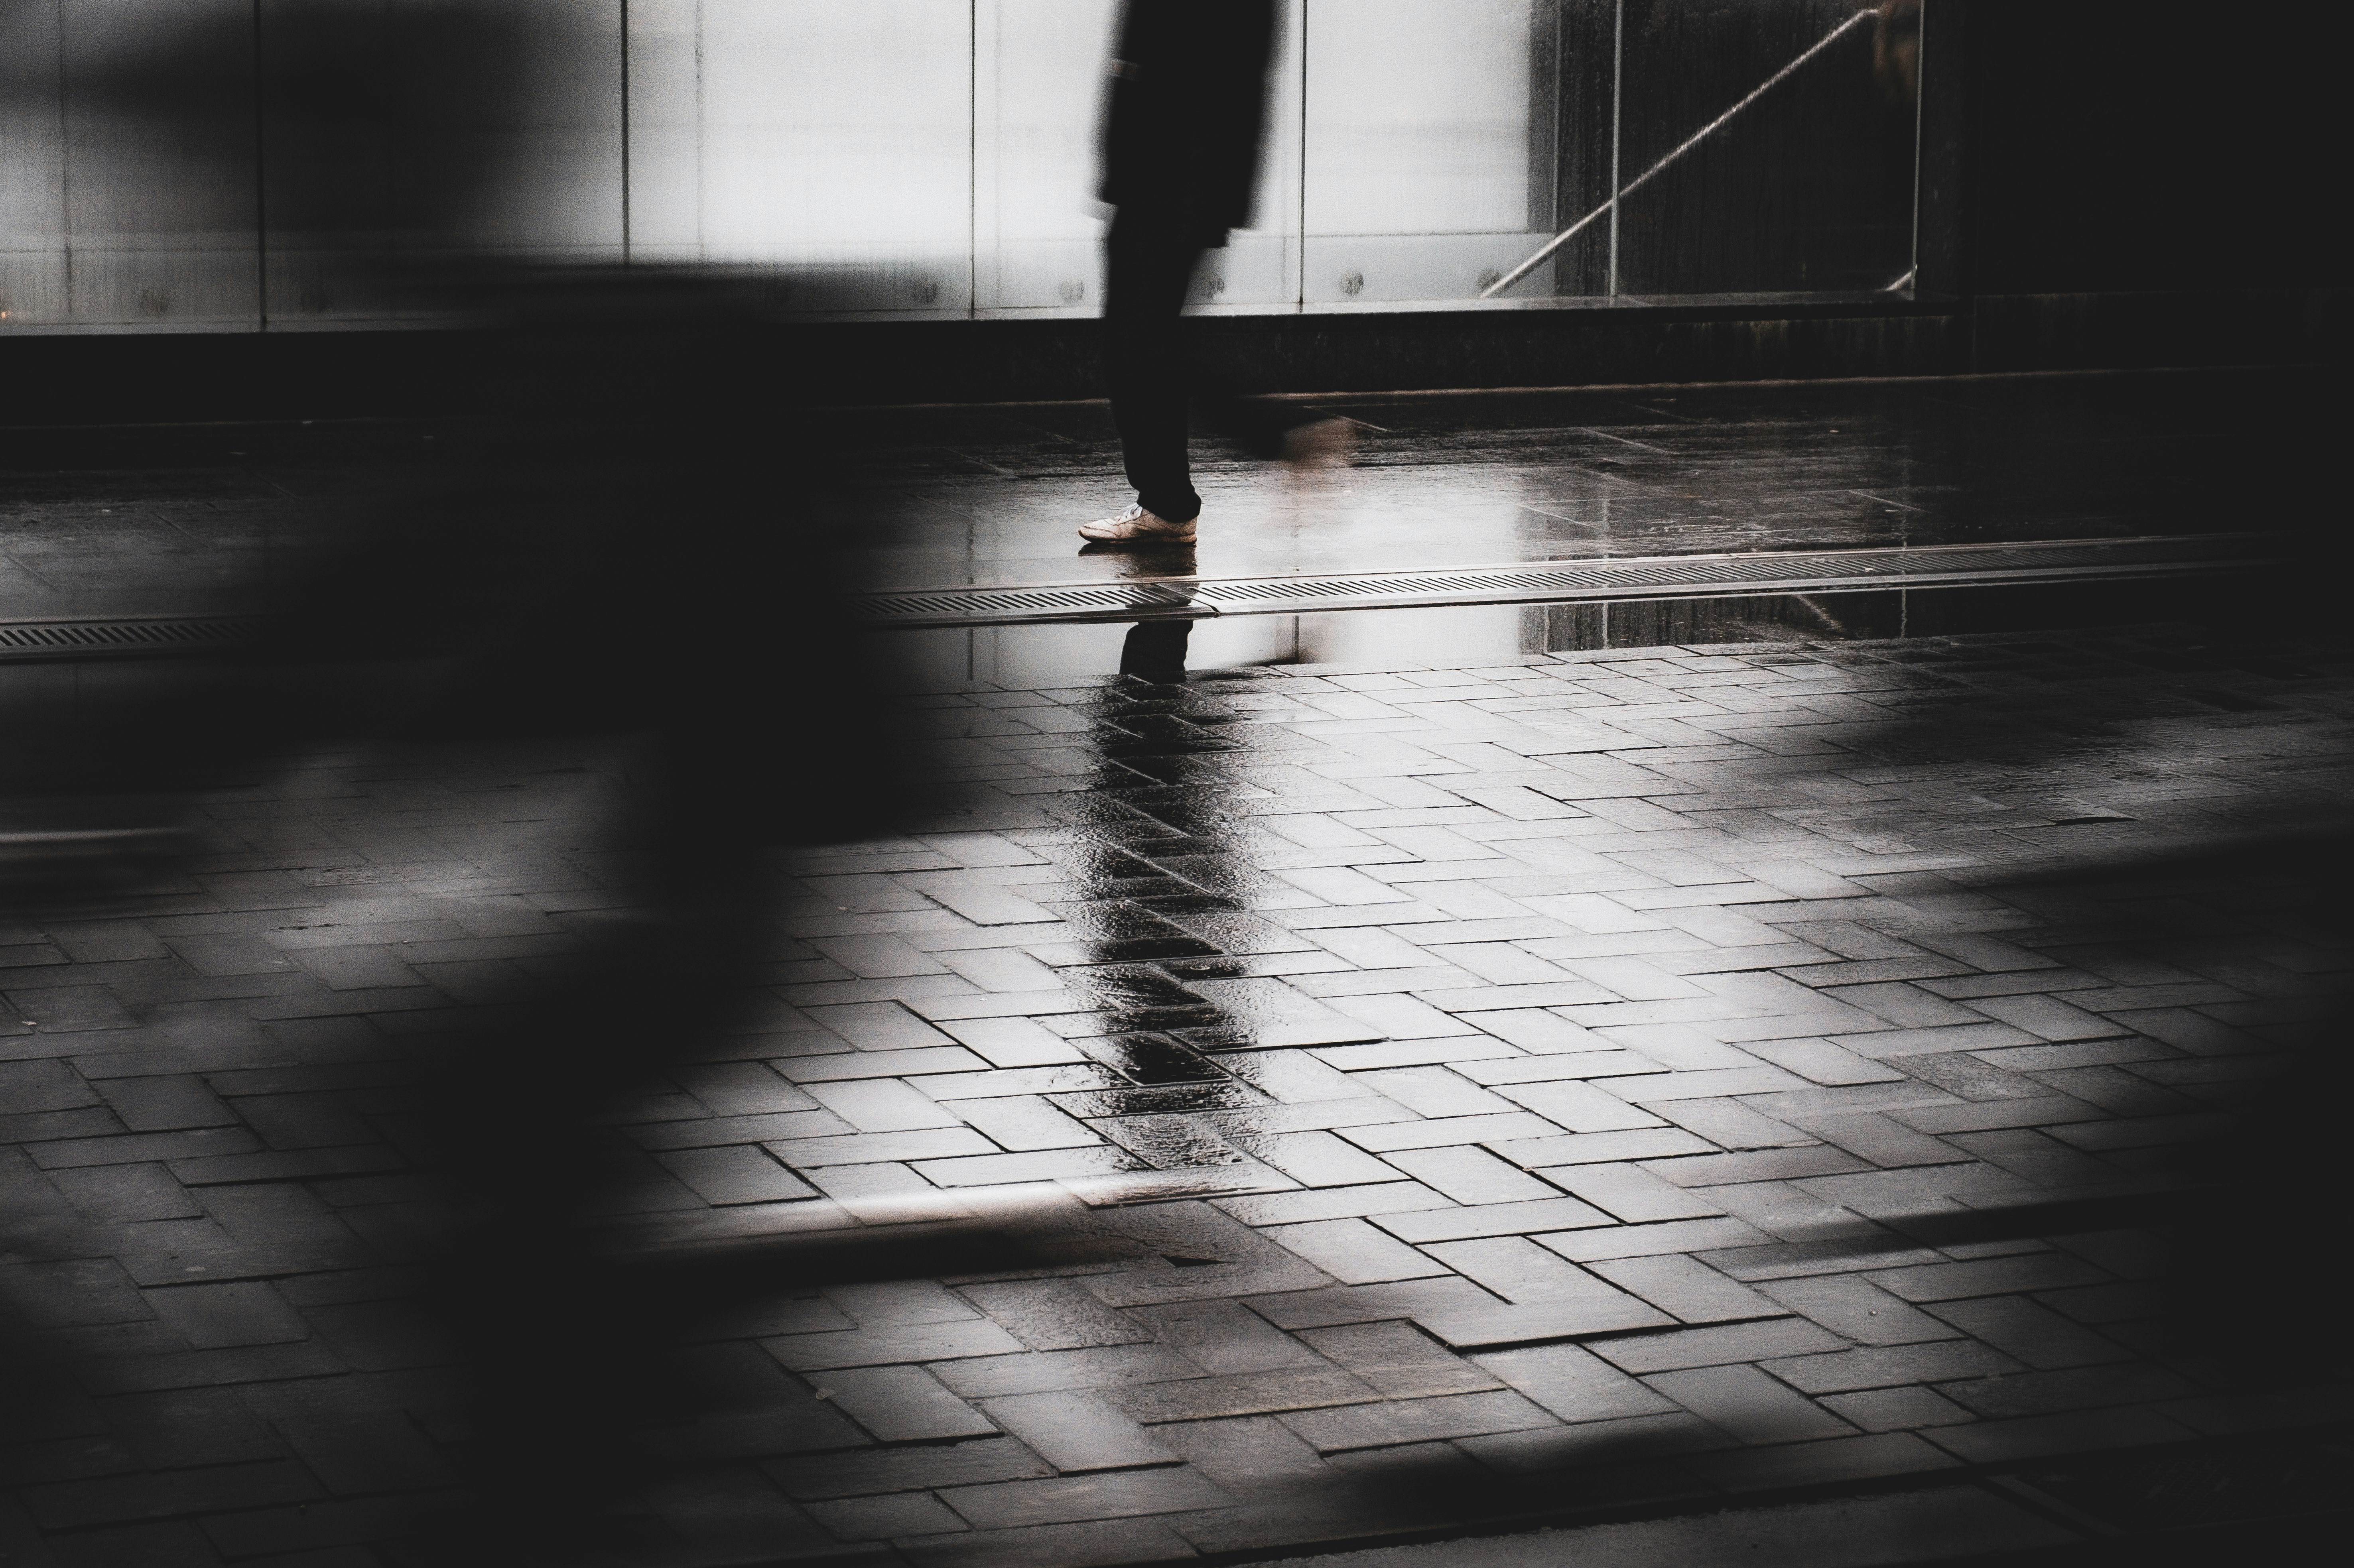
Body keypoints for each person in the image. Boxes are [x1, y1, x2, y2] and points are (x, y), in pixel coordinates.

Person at [1082, 0, 1350, 548]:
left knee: (1139, 340)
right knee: (1148, 340)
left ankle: (1274, 441)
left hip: (1165, 174)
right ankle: (1175, 498)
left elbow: (1162, 63)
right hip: (1180, 176)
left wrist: (1130, 172)